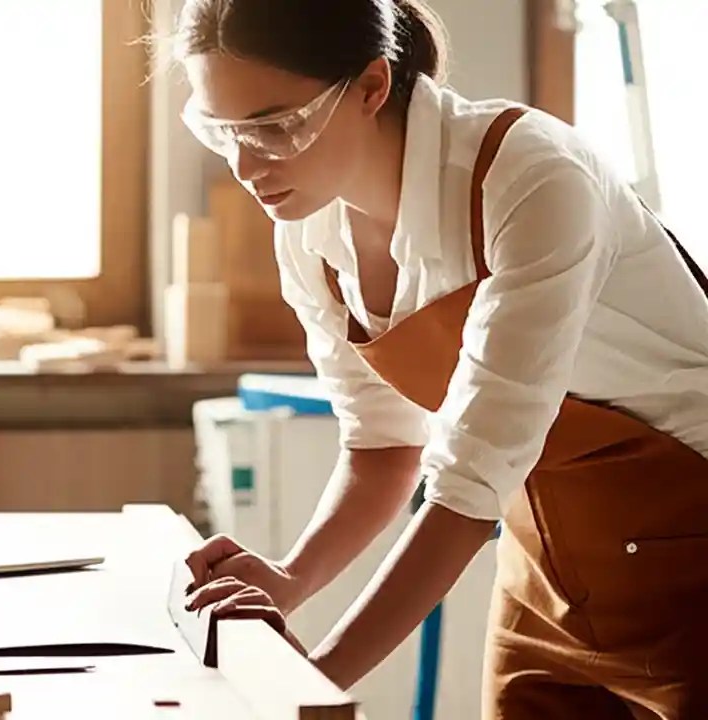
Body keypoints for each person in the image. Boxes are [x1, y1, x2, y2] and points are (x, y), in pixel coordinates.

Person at [171, 0, 708, 717]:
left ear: (370, 86)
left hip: (691, 556)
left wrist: (314, 687)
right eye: (223, 131)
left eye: (275, 127)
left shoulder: (530, 178)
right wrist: (290, 579)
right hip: (544, 572)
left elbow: (466, 486)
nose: (244, 165)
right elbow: (383, 447)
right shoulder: (309, 234)